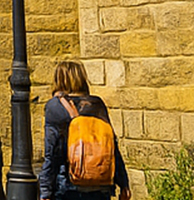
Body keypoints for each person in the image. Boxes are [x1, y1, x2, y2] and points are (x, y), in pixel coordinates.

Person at [39, 60, 130, 200]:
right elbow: (112, 146)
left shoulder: (55, 106)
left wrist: (45, 190)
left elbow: (51, 151)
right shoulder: (96, 104)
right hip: (100, 183)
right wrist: (123, 183)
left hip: (69, 183)